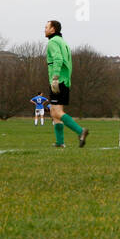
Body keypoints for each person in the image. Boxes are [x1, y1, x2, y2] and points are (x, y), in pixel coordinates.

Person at [43, 19, 87, 147]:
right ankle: (60, 142)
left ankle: (80, 131)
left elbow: (58, 59)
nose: (44, 29)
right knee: (54, 112)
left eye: (46, 27)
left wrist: (55, 78)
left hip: (58, 81)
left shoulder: (53, 42)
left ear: (53, 29)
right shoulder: (63, 42)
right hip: (65, 81)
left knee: (56, 112)